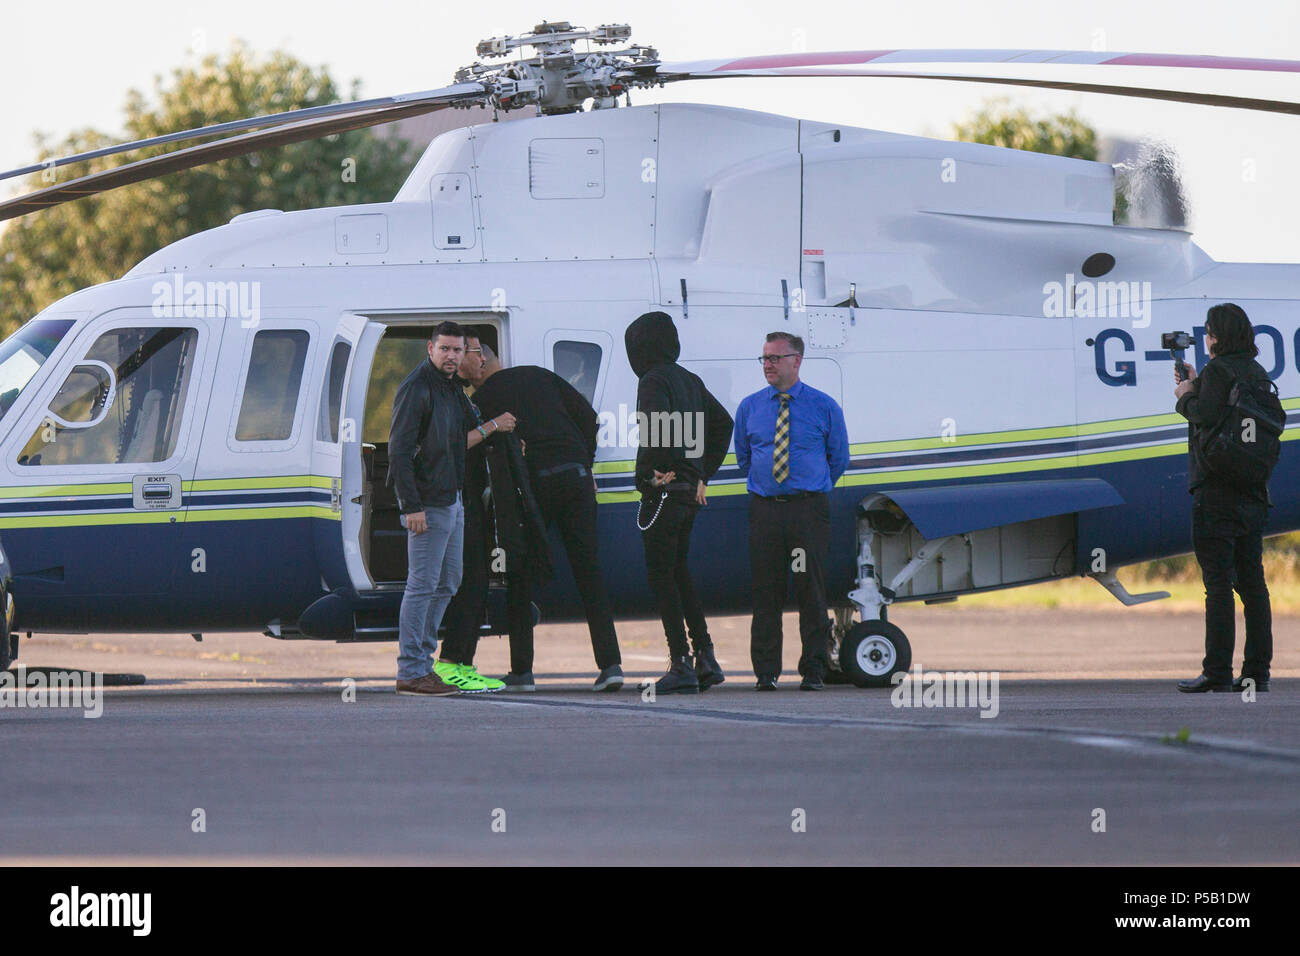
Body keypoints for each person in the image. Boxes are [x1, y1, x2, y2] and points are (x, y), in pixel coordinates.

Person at [471, 345, 625, 691]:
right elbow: (588, 417)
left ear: (482, 361)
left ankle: (522, 672)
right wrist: (584, 460)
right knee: (589, 572)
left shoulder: (485, 396)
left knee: (520, 574)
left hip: (537, 485)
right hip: (577, 478)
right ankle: (611, 665)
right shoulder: (540, 375)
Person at [624, 311, 734, 694]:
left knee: (661, 577)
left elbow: (653, 426)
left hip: (666, 491)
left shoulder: (652, 379)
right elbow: (724, 424)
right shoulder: (691, 379)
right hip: (689, 492)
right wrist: (703, 472)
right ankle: (706, 655)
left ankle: (681, 662)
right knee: (679, 572)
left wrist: (647, 475)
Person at [734, 331, 849, 691]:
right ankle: (765, 672)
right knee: (766, 592)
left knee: (808, 590)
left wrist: (806, 485)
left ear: (796, 361)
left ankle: (813, 669)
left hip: (806, 514)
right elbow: (744, 457)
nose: (767, 365)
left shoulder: (823, 406)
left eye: (774, 358)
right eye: (764, 358)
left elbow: (838, 458)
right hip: (766, 514)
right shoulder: (750, 407)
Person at [1174, 303, 1276, 693]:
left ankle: (1216, 671)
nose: (1206, 339)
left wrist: (1185, 394)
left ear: (1217, 337)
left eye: (1209, 333)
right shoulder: (1256, 372)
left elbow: (1204, 414)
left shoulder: (1218, 371)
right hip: (1252, 490)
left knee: (1217, 584)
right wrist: (1201, 386)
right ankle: (1256, 674)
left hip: (1215, 491)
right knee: (1253, 585)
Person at [389, 321, 482, 697]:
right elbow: (398, 450)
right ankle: (411, 671)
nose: (451, 356)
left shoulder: (449, 388)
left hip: (452, 499)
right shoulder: (417, 387)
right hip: (428, 502)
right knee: (422, 585)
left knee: (448, 582)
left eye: (458, 351)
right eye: (444, 349)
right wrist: (411, 505)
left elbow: (466, 429)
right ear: (430, 348)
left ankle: (422, 665)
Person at [434, 331, 517, 694]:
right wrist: (493, 426)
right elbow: (452, 443)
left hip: (471, 499)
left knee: (478, 583)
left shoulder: (459, 395)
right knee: (466, 583)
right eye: (472, 352)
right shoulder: (442, 395)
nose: (481, 359)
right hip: (455, 499)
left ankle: (464, 663)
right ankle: (449, 663)